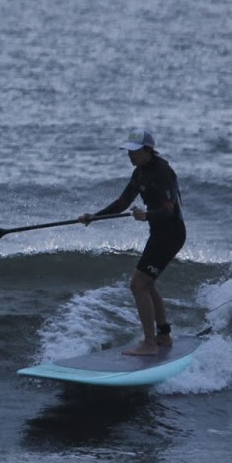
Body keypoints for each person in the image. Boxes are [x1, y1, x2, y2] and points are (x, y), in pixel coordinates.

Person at [79, 128, 186, 355]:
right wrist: (95, 217)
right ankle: (163, 336)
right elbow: (122, 202)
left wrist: (147, 215)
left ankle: (149, 344)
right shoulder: (140, 172)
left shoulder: (162, 172)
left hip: (171, 234)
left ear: (148, 150)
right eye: (128, 151)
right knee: (147, 285)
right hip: (160, 234)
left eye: (135, 151)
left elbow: (169, 209)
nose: (130, 155)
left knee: (138, 285)